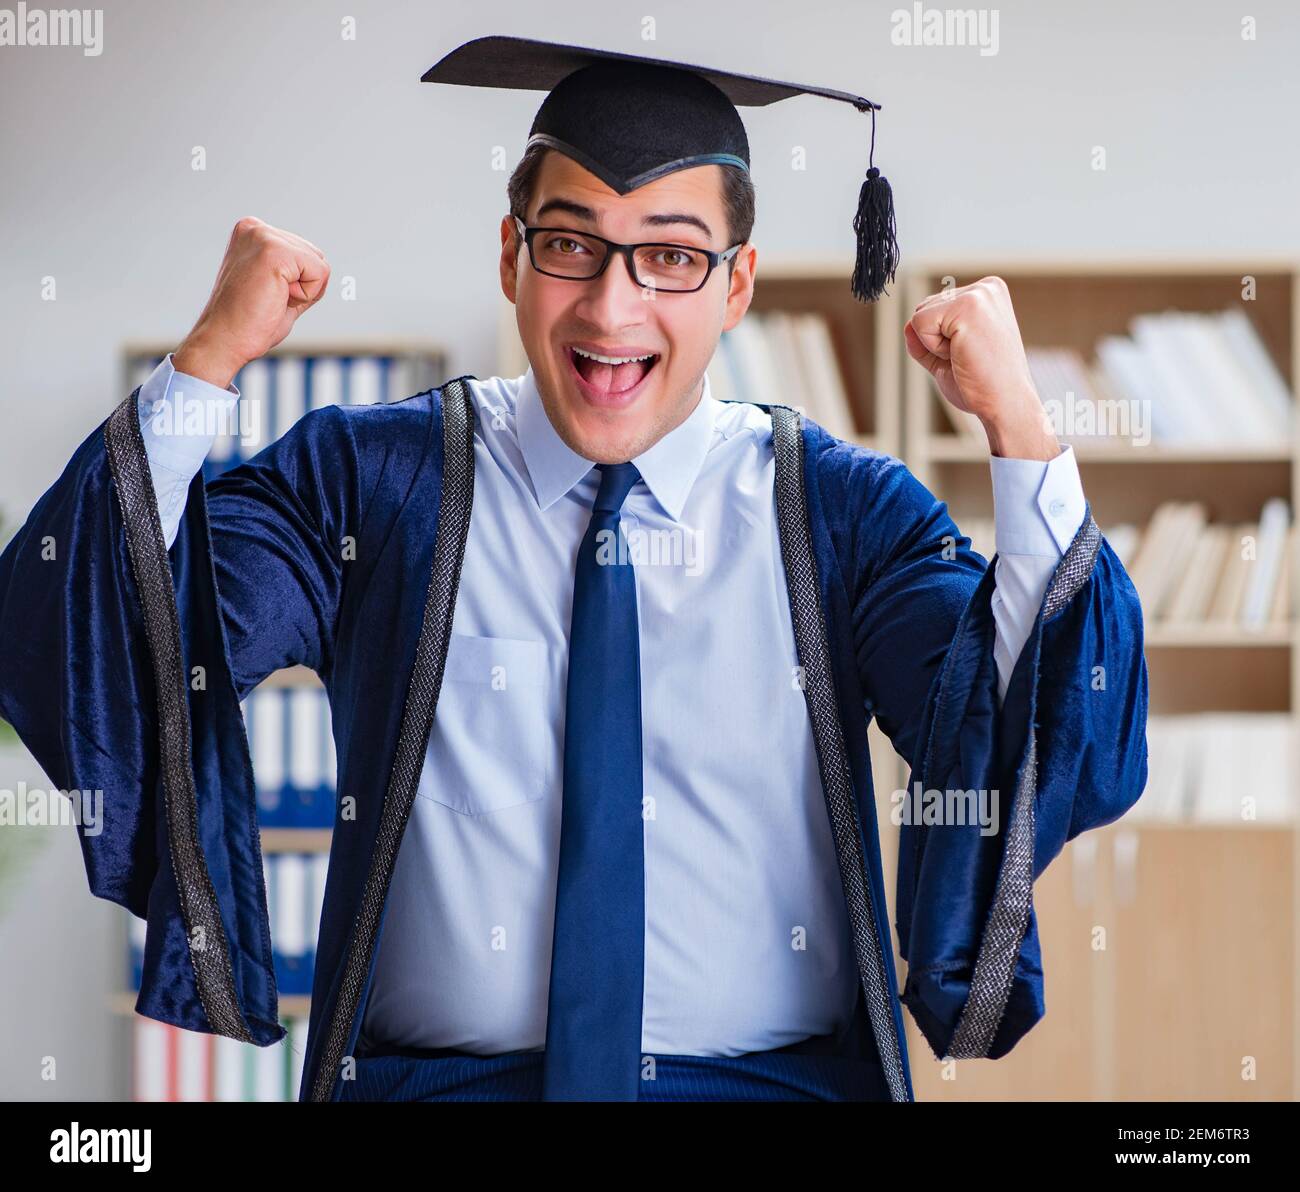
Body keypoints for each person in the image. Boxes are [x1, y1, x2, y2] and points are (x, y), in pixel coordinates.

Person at [0, 36, 1147, 1103]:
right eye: (569, 245)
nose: (612, 305)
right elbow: (103, 625)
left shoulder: (839, 512)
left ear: (736, 285)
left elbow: (1023, 731)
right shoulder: (377, 485)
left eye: (670, 256)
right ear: (512, 256)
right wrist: (205, 363)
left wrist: (1022, 435)